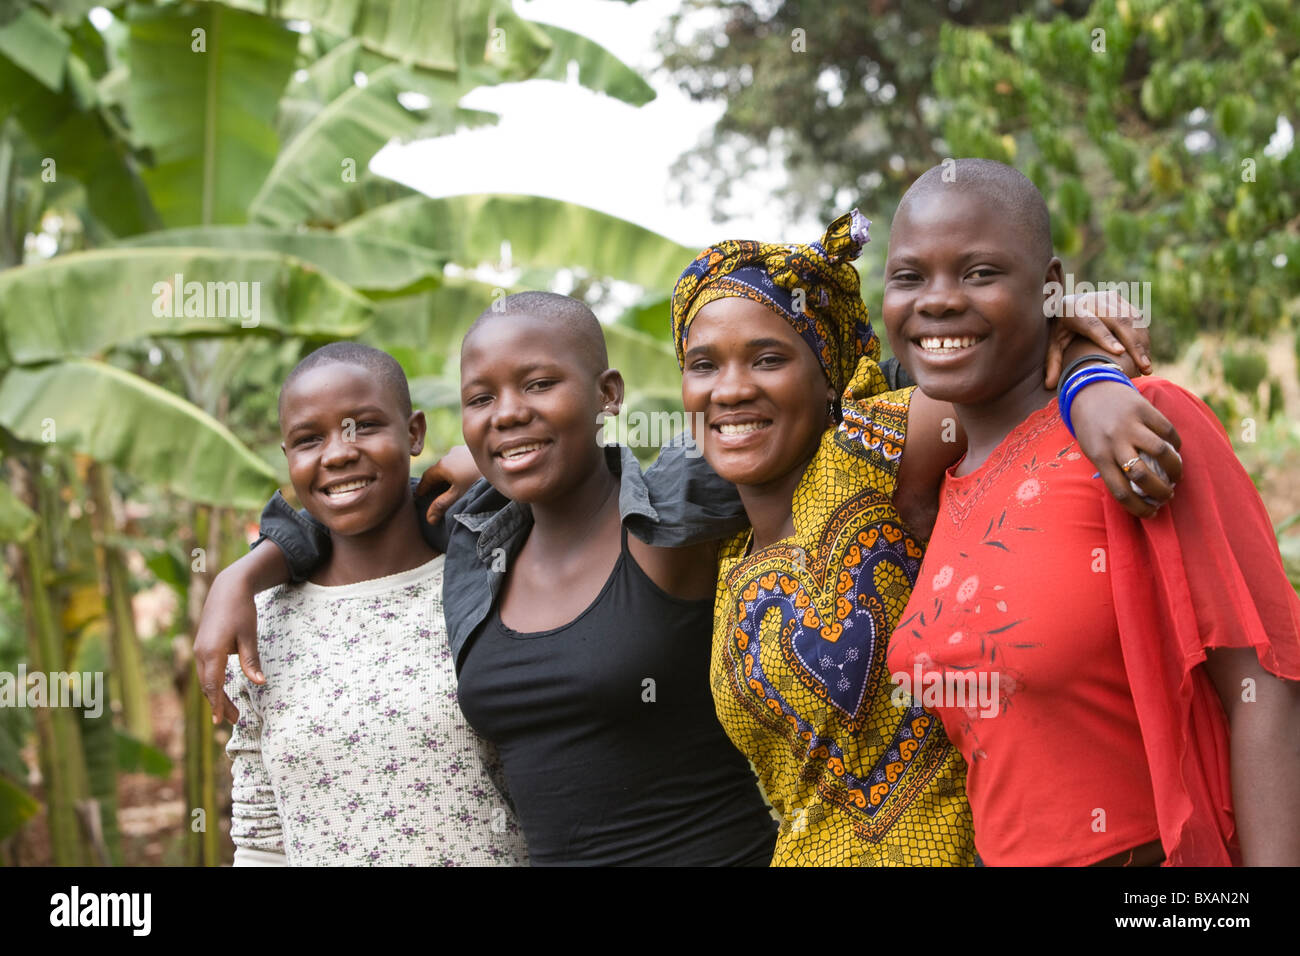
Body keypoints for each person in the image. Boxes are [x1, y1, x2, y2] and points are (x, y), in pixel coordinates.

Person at [668, 209, 1182, 865]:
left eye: (768, 359)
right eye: (703, 365)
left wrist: (1088, 371)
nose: (731, 389)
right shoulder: (721, 555)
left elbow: (1014, 363)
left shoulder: (867, 447)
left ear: (830, 377)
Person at [202, 295, 779, 866]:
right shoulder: (479, 552)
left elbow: (754, 428)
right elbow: (359, 510)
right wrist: (245, 571)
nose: (506, 412)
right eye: (482, 399)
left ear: (608, 393)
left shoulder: (667, 520)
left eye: (538, 384)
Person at [882, 159, 1300, 866]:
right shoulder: (935, 480)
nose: (939, 300)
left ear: (1051, 288)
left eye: (980, 272)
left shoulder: (1140, 427)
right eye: (909, 276)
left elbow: (1267, 686)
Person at [224, 342, 528, 866]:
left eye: (363, 425)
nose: (338, 453)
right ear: (288, 457)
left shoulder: (492, 583)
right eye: (308, 439)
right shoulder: (261, 620)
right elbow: (260, 838)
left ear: (414, 433)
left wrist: (493, 475)